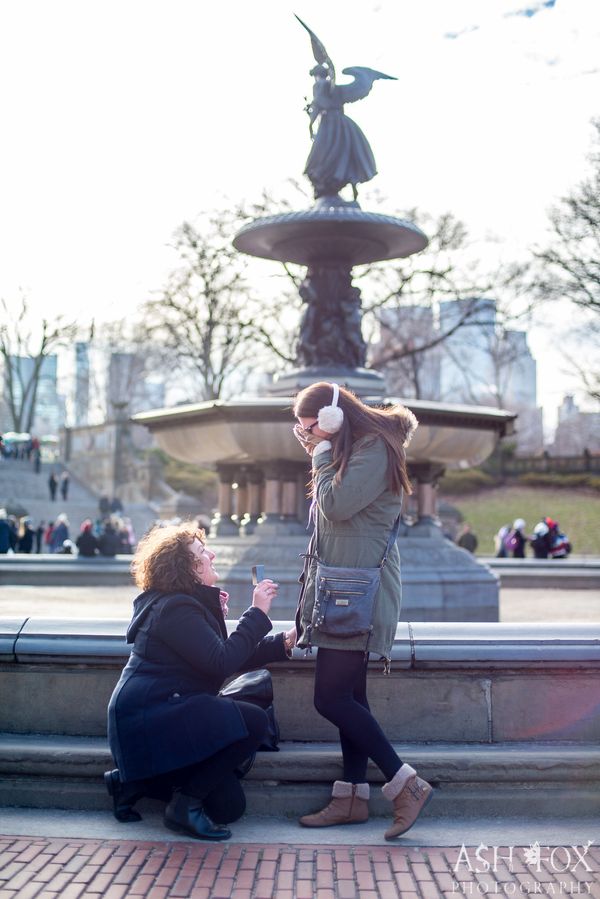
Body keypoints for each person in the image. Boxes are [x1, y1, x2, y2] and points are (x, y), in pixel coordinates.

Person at [292, 381, 432, 841]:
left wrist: (320, 453)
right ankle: (350, 798)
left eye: (309, 425)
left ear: (333, 419)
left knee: (329, 699)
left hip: (357, 592)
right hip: (343, 587)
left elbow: (334, 504)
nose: (306, 434)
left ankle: (405, 783)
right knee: (352, 698)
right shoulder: (357, 450)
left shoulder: (375, 449)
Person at [105, 522, 296, 840]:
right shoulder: (175, 608)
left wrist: (281, 644)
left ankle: (131, 784)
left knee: (229, 808)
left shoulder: (184, 602)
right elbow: (222, 662)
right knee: (254, 721)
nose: (212, 553)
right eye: (201, 552)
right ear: (188, 568)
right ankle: (183, 807)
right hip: (150, 716)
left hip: (169, 709)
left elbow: (220, 656)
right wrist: (257, 612)